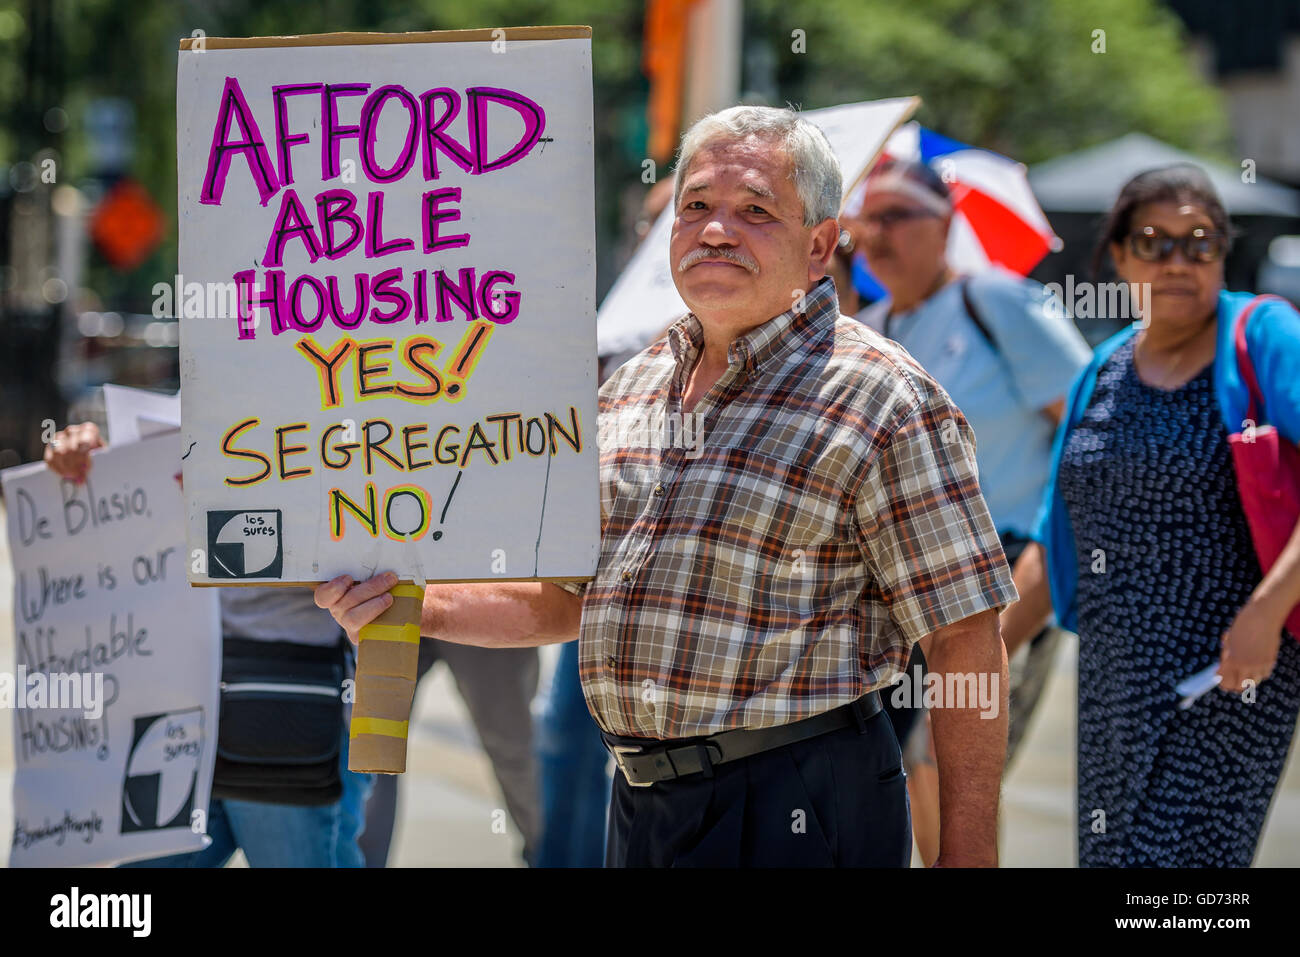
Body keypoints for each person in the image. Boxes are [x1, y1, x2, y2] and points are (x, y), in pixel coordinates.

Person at [317, 105, 1018, 868]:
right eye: (696, 207)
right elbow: (565, 600)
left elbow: (963, 637)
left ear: (819, 245)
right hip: (644, 805)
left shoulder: (883, 397)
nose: (717, 229)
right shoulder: (634, 387)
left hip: (798, 803)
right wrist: (413, 602)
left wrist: (969, 853)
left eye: (754, 209)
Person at [1000, 164, 1300, 867]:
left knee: (1181, 875)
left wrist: (1267, 609)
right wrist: (988, 650)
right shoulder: (1100, 369)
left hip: (1230, 668)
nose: (1177, 261)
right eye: (1154, 242)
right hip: (1115, 678)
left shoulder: (1265, 336)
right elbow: (1058, 531)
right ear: (1120, 256)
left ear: (1224, 251)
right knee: (1114, 860)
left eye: (1199, 242)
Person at [848, 158, 1093, 862]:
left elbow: (1090, 430)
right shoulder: (867, 329)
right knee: (901, 775)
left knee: (947, 764)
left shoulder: (999, 303)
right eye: (870, 217)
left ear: (946, 226)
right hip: (902, 592)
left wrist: (1047, 566)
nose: (879, 233)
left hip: (1007, 573)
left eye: (899, 215)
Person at [44, 421, 373, 867]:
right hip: (176, 710)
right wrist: (95, 464)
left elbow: (375, 546)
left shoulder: (345, 411)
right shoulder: (194, 390)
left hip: (293, 714)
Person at [359, 637, 540, 866]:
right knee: (373, 753)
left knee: (515, 750)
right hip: (389, 606)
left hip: (487, 610)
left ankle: (550, 855)